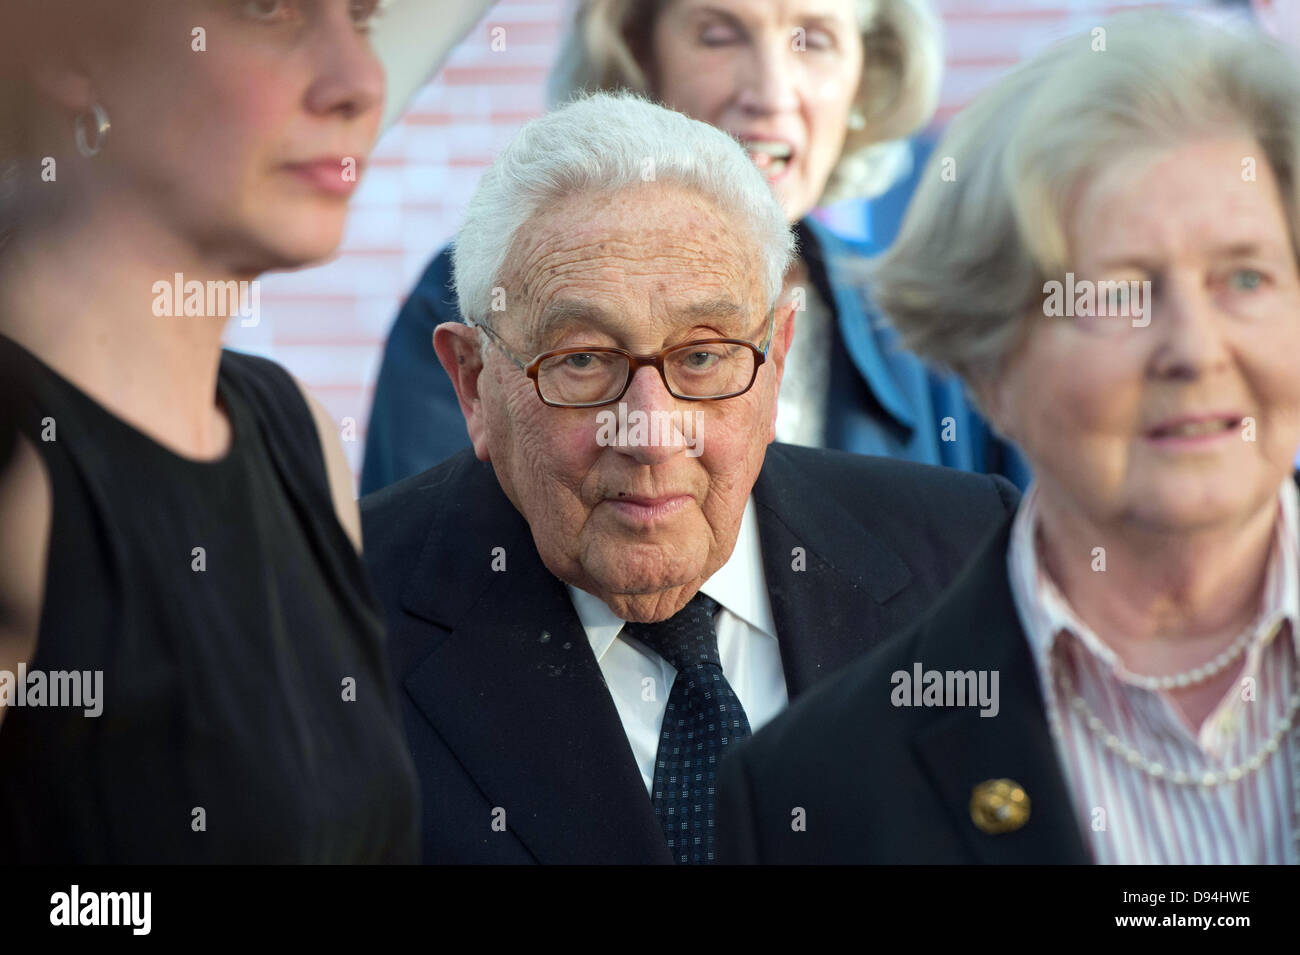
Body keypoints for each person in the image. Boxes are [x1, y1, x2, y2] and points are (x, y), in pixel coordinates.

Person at [361, 92, 1019, 864]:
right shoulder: (329, 625)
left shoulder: (969, 554)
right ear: (473, 383)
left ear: (775, 357)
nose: (649, 431)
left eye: (702, 357)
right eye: (583, 361)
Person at [716, 11, 1300, 865]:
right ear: (989, 359)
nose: (1194, 349)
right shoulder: (814, 792)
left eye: (1245, 277)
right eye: (1116, 294)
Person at [0, 0, 425, 862]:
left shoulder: (290, 429)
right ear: (71, 47)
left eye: (364, 17)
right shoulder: (21, 469)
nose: (360, 82)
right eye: (269, 10)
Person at [361, 0, 1030, 494]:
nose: (770, 94)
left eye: (815, 41)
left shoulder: (933, 331)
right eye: (717, 35)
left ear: (866, 76)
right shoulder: (483, 292)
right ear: (638, 58)